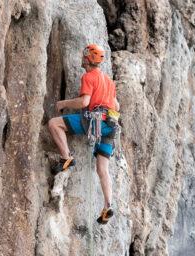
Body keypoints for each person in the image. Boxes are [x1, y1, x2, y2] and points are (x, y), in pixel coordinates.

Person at [47, 43, 120, 225]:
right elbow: (116, 106)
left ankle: (66, 158)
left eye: (84, 55)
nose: (82, 57)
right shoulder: (109, 82)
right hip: (110, 125)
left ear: (87, 58)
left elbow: (84, 101)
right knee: (102, 169)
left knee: (54, 124)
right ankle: (107, 206)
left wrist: (63, 104)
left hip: (95, 120)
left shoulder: (89, 77)